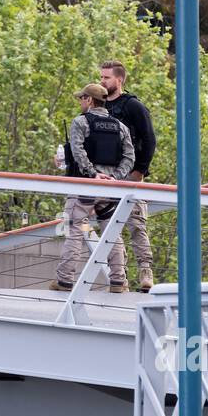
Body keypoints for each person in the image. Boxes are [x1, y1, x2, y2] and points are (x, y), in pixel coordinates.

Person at [50, 83, 134, 295]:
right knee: (112, 233)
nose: (80, 102)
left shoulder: (80, 122)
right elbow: (129, 157)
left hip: (84, 186)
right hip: (111, 190)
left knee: (75, 230)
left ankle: (65, 280)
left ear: (89, 100)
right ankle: (118, 281)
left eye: (81, 98)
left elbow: (78, 151)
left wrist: (92, 174)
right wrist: (114, 177)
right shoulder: (120, 126)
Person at [100, 60, 156, 293]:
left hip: (130, 176)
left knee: (136, 225)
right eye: (101, 77)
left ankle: (145, 273)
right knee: (108, 226)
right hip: (105, 176)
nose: (102, 81)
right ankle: (119, 276)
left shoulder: (133, 106)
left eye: (106, 78)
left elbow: (149, 139)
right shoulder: (97, 104)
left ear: (119, 80)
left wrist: (139, 171)